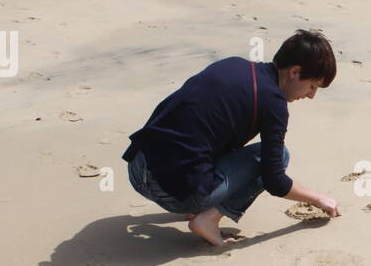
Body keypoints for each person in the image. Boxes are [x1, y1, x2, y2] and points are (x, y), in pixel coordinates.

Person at [122, 29, 341, 245]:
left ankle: (196, 202)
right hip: (165, 191)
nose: (311, 96)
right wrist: (319, 199)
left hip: (137, 165)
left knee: (209, 134)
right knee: (278, 156)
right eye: (312, 86)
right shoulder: (273, 103)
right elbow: (275, 181)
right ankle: (207, 219)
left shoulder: (234, 65)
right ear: (294, 72)